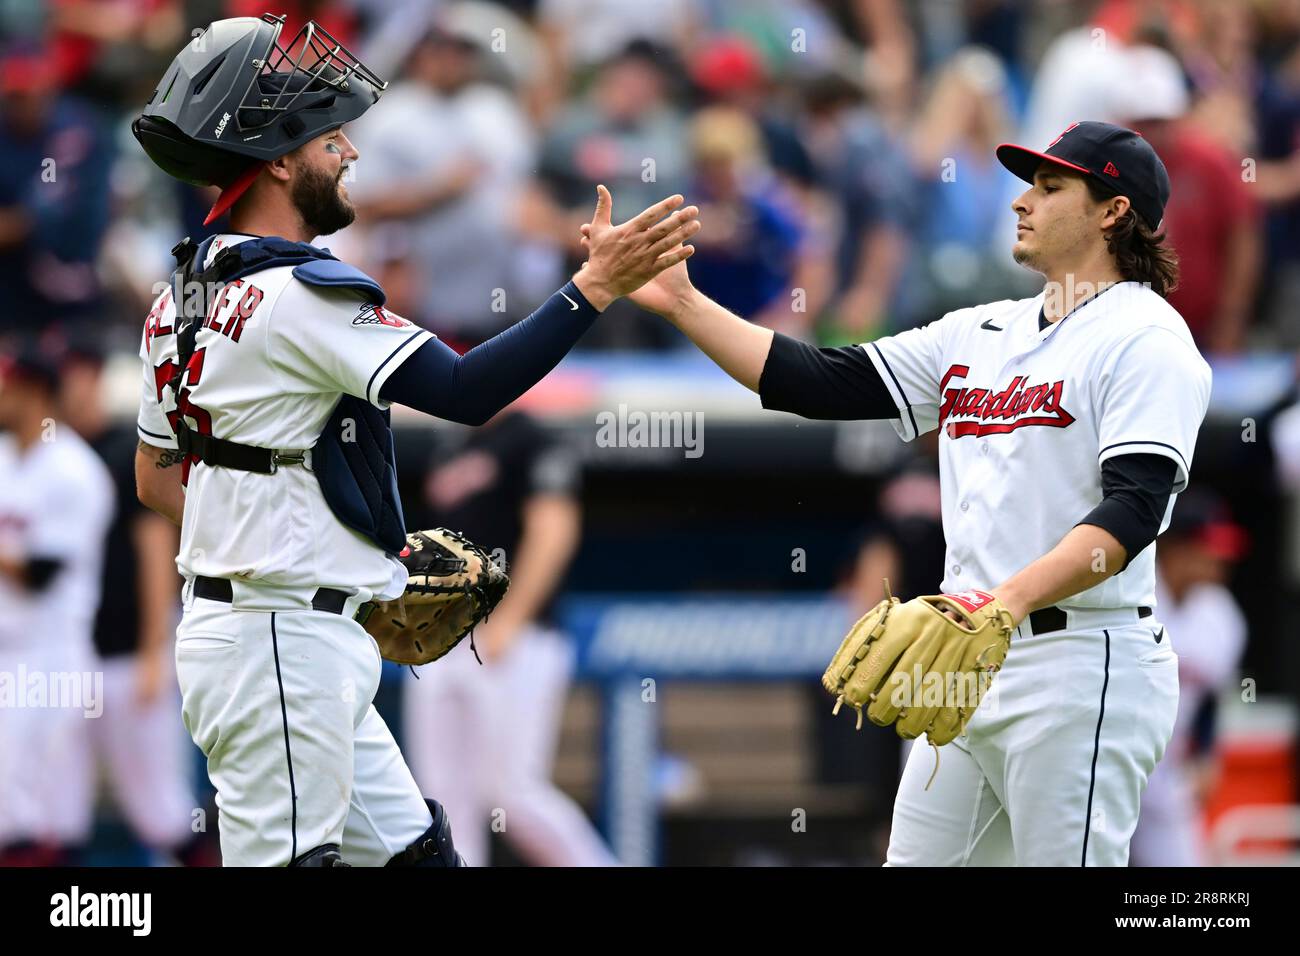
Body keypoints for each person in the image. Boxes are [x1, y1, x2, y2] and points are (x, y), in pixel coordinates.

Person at [131, 14, 697, 867]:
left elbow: (155, 478)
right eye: (331, 137)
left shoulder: (177, 292)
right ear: (279, 160)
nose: (351, 153)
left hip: (283, 635)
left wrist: (303, 542)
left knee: (418, 860)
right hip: (281, 644)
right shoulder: (296, 291)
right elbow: (466, 392)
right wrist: (593, 288)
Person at [597, 120, 1213, 866]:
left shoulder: (1146, 337)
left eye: (1051, 188)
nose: (1023, 203)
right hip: (965, 661)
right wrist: (682, 305)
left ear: (1113, 211)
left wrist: (1000, 605)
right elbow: (816, 380)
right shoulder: (982, 330)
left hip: (1078, 663)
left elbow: (1132, 514)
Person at [403, 409, 618, 866]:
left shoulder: (532, 437)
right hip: (445, 640)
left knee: (512, 795)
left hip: (517, 639)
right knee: (442, 801)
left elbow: (554, 530)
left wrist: (511, 618)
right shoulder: (455, 443)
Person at [59, 342, 214, 866]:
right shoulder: (45, 457)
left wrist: (154, 649)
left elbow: (155, 553)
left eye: (76, 372)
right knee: (58, 813)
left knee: (163, 811)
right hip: (67, 660)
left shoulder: (124, 446)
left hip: (130, 652)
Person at [0, 344, 113, 865]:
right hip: (9, 649)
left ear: (35, 392)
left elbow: (40, 575)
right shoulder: (4, 455)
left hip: (49, 656)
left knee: (35, 808)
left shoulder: (72, 467)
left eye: (10, 384)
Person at [1130, 489, 1248, 867]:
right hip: (1107, 763)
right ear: (1176, 547)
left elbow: (1211, 695)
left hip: (1167, 777)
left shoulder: (1221, 615)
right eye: (1207, 549)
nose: (1220, 562)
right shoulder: (1129, 597)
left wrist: (1207, 753)